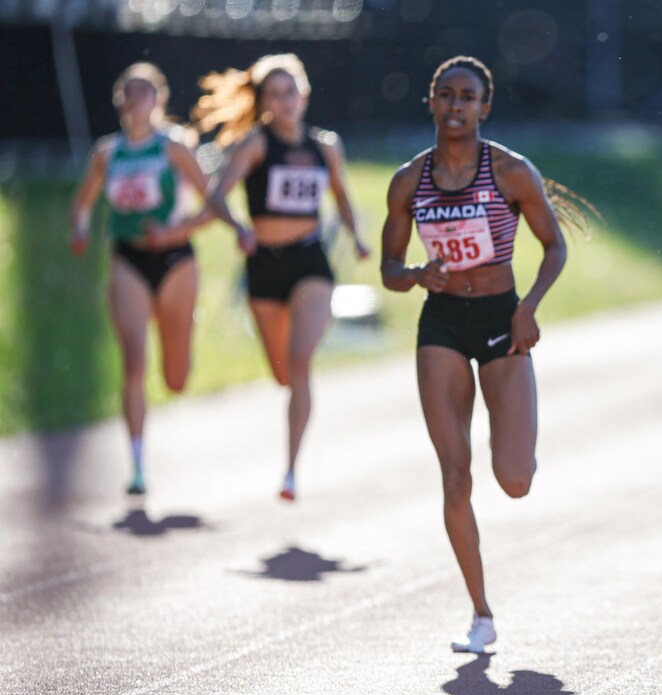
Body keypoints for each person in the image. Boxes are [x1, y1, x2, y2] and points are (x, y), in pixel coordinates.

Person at [380, 56, 569, 654]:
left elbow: (554, 247)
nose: (456, 105)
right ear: (432, 102)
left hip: (500, 319)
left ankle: (522, 437)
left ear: (484, 107)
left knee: (513, 479)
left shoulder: (510, 171)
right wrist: (415, 275)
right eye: (446, 95)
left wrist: (528, 306)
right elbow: (387, 268)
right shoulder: (409, 181)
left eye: (468, 97)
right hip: (441, 323)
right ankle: (481, 614)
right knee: (454, 475)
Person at [193, 53, 370, 501]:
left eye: (290, 91)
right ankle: (294, 419)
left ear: (304, 95)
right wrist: (238, 228)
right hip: (264, 266)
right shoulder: (255, 144)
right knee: (281, 374)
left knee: (299, 360)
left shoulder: (325, 146)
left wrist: (358, 237)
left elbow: (343, 197)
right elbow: (217, 195)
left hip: (310, 262)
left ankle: (290, 471)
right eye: (274, 94)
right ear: (264, 102)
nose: (284, 101)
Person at [69, 62, 215, 497]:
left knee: (175, 377)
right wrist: (79, 230)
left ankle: (185, 333)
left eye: (143, 93)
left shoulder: (173, 148)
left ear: (159, 100)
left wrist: (173, 231)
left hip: (175, 262)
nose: (134, 102)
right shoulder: (106, 153)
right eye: (127, 94)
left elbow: (212, 206)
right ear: (119, 102)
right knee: (134, 362)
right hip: (128, 259)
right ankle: (136, 466)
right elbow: (81, 205)